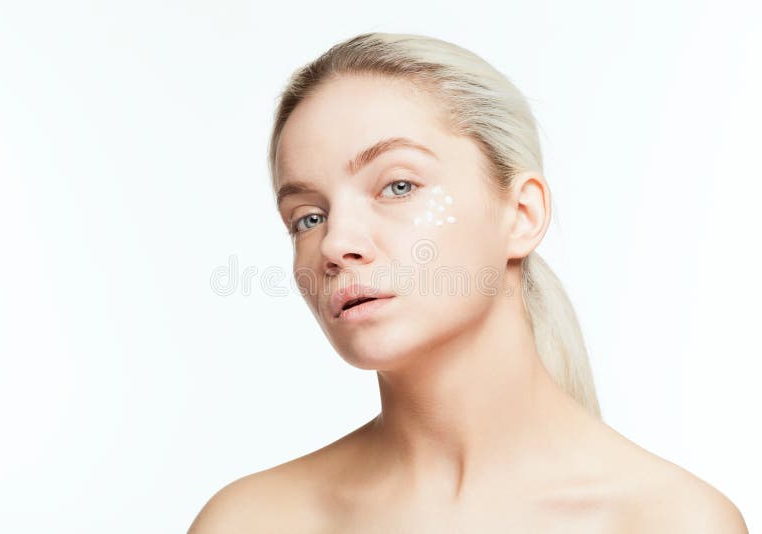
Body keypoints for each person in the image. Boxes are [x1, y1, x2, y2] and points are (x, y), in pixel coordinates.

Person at [188, 32, 747, 533]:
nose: (335, 244)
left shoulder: (669, 521)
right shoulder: (250, 521)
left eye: (398, 186)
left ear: (521, 214)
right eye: (307, 217)